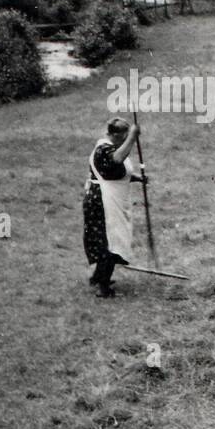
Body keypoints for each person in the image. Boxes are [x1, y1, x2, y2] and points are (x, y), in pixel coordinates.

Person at [82, 116, 145, 297]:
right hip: (101, 201)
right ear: (116, 135)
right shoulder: (103, 149)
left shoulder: (112, 147)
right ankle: (103, 288)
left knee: (110, 239)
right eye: (124, 136)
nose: (126, 140)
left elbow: (116, 172)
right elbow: (115, 161)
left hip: (110, 199)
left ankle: (97, 278)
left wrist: (137, 178)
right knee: (110, 241)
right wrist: (133, 137)